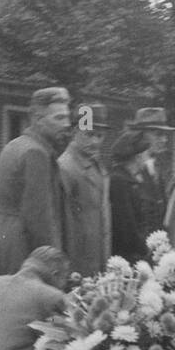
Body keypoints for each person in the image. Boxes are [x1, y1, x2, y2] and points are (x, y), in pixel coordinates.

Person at [0, 87, 71, 279]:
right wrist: (55, 268)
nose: (67, 124)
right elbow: (40, 220)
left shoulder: (13, 146)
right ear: (38, 119)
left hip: (2, 246)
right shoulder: (37, 153)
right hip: (26, 254)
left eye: (67, 117)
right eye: (59, 118)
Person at [58, 103, 111, 278]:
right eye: (89, 134)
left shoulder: (96, 164)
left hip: (98, 257)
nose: (95, 141)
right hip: (77, 261)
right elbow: (61, 222)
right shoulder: (66, 167)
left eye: (100, 135)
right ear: (74, 132)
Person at [127, 108, 175, 239]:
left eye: (164, 135)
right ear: (141, 135)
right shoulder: (129, 170)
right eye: (158, 134)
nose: (164, 139)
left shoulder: (156, 166)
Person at [109, 129, 156, 263]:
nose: (148, 158)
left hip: (133, 253)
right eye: (145, 153)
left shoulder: (127, 179)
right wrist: (145, 251)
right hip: (126, 256)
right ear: (137, 156)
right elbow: (127, 226)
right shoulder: (119, 181)